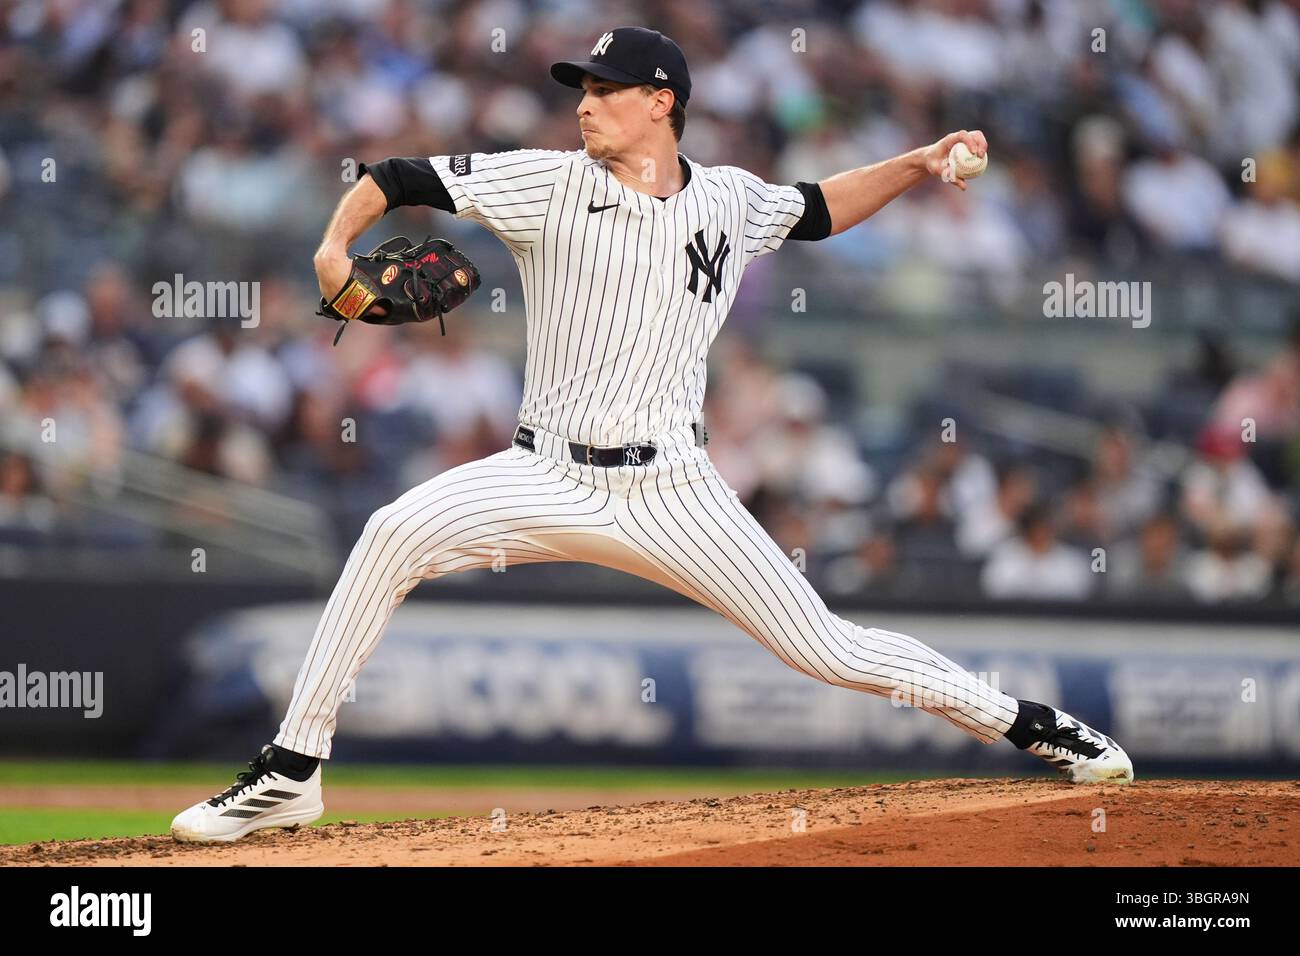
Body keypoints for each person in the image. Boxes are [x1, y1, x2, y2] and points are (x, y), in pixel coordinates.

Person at [171, 27, 1132, 844]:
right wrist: (336, 246)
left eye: (605, 90)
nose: (584, 105)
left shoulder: (726, 199)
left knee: (827, 649)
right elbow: (393, 176)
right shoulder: (545, 182)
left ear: (661, 102)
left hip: (676, 489)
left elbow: (821, 207)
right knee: (389, 535)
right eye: (580, 89)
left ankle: (1030, 723)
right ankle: (292, 773)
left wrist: (919, 163)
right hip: (544, 471)